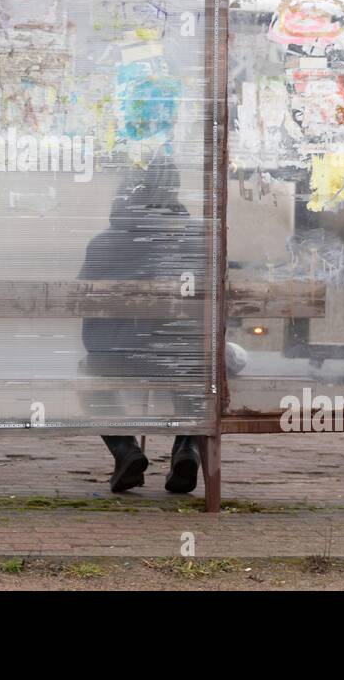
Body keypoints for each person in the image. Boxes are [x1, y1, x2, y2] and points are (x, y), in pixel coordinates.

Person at [78, 158, 205, 494]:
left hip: (116, 358)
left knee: (87, 376)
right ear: (174, 191)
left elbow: (81, 301)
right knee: (190, 360)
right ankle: (187, 446)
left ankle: (125, 450)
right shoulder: (197, 240)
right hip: (179, 357)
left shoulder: (103, 243)